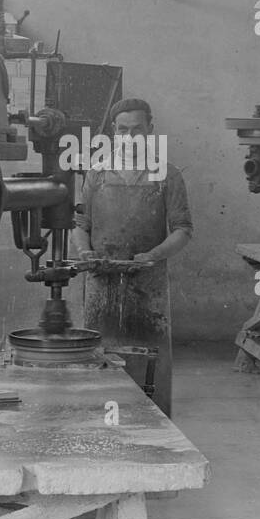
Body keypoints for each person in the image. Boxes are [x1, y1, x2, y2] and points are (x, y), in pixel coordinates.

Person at [71, 98, 192, 415]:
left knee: (149, 361)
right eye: (122, 129)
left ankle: (156, 422)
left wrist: (153, 254)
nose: (129, 136)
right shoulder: (96, 174)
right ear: (113, 131)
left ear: (150, 130)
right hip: (101, 282)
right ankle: (101, 417)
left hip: (148, 285)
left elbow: (182, 230)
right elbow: (80, 224)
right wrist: (86, 253)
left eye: (137, 129)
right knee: (101, 356)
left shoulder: (168, 175)